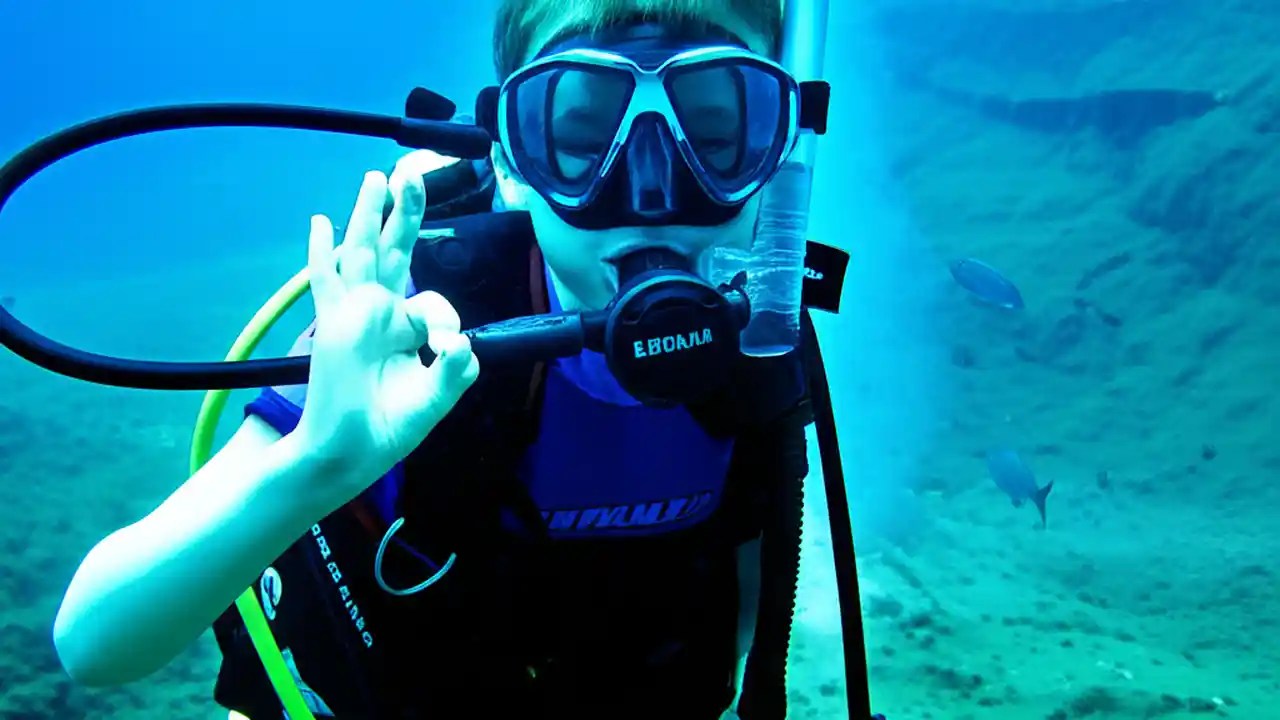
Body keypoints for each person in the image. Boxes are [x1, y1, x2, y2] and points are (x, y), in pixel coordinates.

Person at [52, 0, 831, 717]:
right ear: (512, 164)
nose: (652, 191)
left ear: (782, 158)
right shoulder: (419, 326)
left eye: (720, 136)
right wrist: (316, 464)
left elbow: (737, 620)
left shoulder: (761, 343)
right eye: (581, 141)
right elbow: (94, 641)